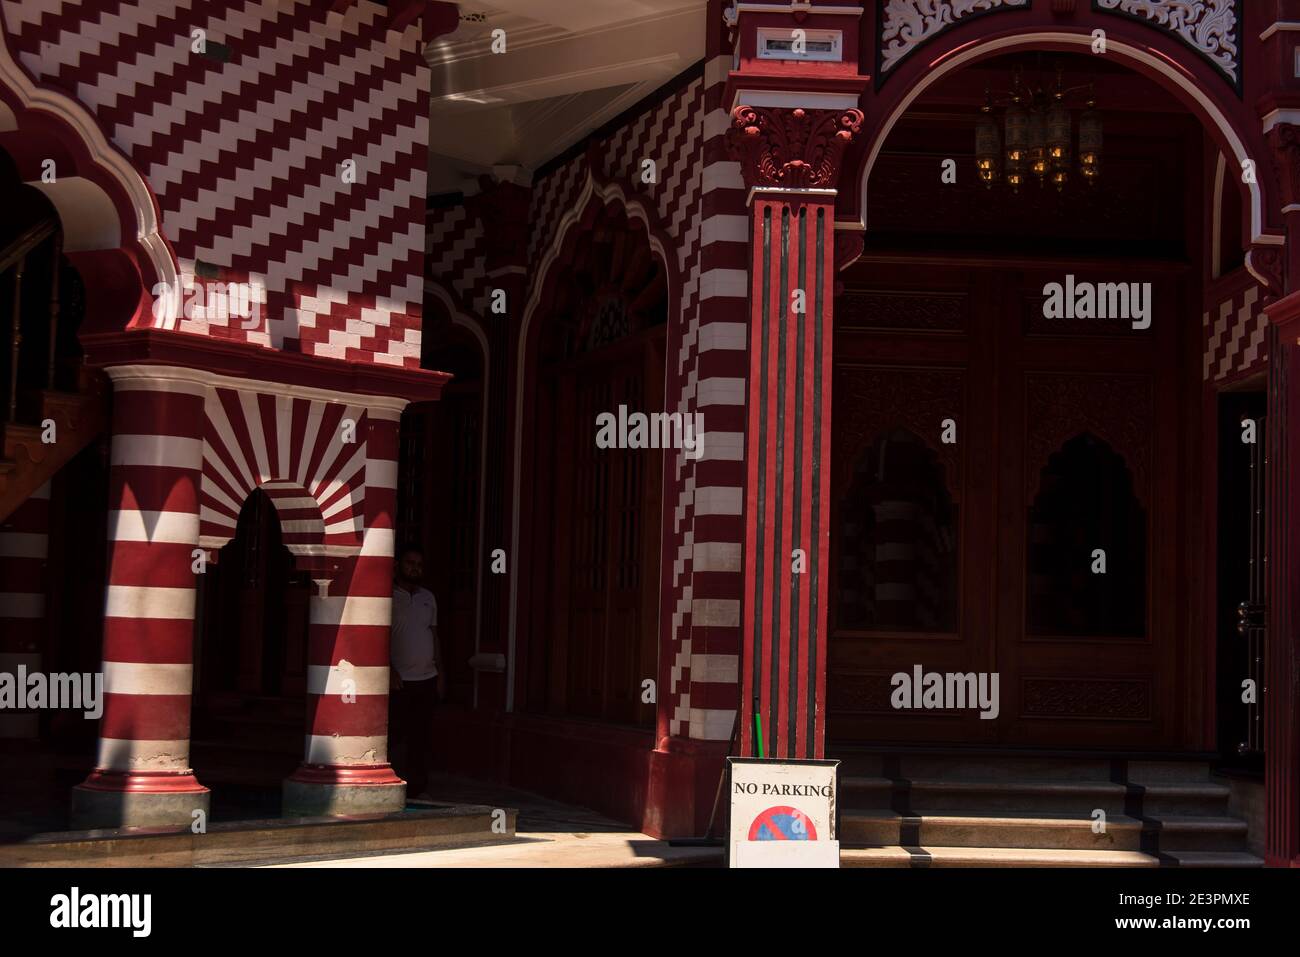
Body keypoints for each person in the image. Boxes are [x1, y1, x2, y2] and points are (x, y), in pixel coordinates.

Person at [389, 546, 443, 800]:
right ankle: (387, 783)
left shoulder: (428, 597)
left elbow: (433, 635)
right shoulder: (387, 595)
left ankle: (417, 788)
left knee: (421, 736)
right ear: (399, 564)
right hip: (399, 680)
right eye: (410, 563)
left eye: (419, 565)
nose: (415, 568)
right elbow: (377, 636)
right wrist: (388, 670)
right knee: (395, 733)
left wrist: (440, 673)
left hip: (426, 677)